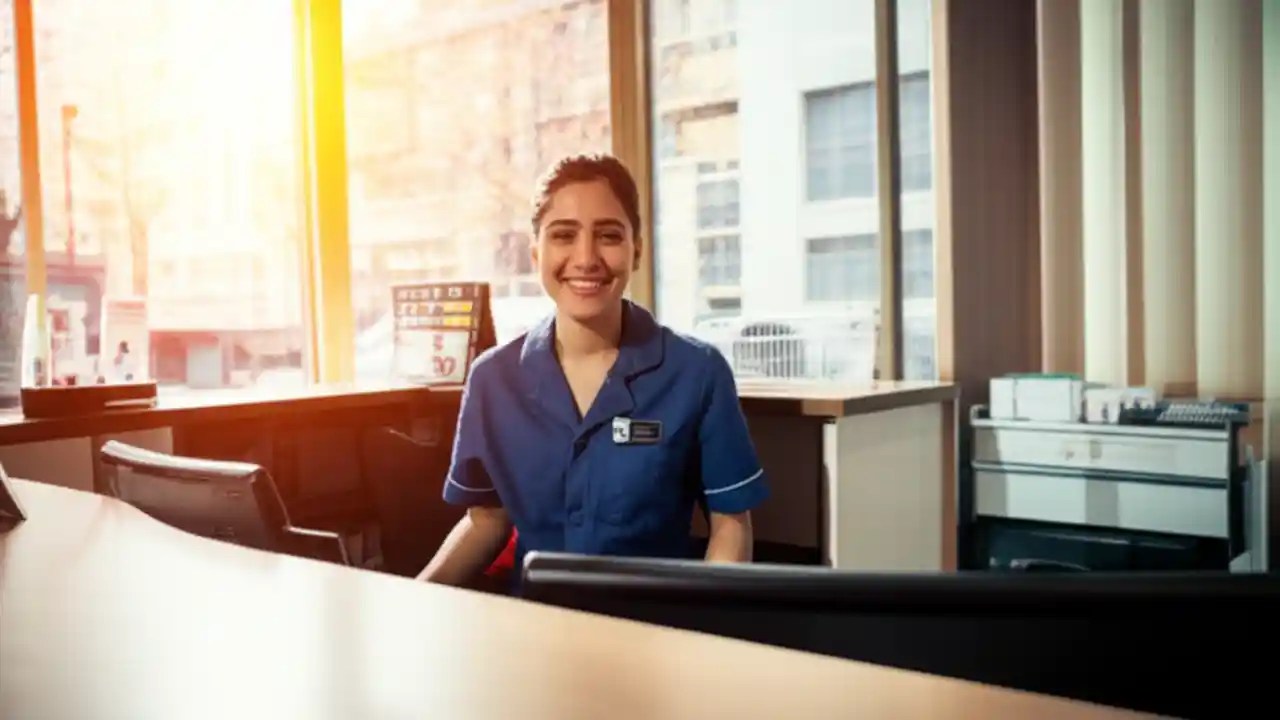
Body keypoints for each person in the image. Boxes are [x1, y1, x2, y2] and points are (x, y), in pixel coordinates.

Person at [417, 153, 769, 590]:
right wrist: (412, 599)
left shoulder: (697, 374)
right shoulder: (493, 380)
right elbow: (487, 519)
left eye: (608, 235)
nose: (586, 258)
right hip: (534, 632)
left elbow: (730, 524)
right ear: (535, 253)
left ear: (636, 250)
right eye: (563, 235)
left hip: (654, 633)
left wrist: (709, 640)